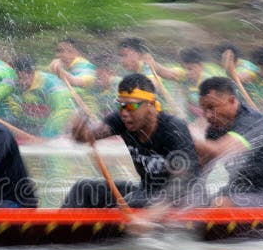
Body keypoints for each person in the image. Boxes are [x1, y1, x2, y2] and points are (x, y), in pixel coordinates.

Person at [61, 73, 203, 209]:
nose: (124, 112)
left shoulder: (173, 127)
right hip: (145, 192)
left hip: (185, 198)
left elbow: (184, 179)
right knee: (83, 188)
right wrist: (80, 132)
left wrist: (155, 213)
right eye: (121, 105)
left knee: (132, 202)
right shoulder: (122, 121)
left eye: (131, 106)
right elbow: (91, 134)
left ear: (150, 104)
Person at [193, 77, 263, 207]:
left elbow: (219, 150)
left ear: (232, 100)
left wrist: (188, 134)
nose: (208, 115)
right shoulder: (214, 129)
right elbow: (199, 167)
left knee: (220, 205)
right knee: (191, 203)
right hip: (236, 192)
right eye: (204, 110)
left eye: (211, 107)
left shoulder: (252, 122)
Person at [145, 47, 224, 121]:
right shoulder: (184, 75)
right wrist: (153, 63)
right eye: (185, 68)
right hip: (189, 120)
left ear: (200, 66)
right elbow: (165, 72)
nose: (188, 72)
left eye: (191, 69)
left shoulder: (209, 83)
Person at [12, 56, 76, 138]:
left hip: (53, 126)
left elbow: (64, 109)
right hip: (32, 124)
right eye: (19, 78)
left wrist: (48, 135)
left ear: (31, 73)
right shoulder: (19, 83)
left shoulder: (50, 83)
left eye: (22, 78)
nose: (21, 82)